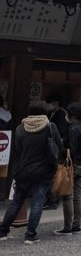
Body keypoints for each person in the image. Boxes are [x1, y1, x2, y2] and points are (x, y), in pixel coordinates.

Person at [0, 100, 62, 244]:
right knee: (37, 202)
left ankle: (3, 231)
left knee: (16, 202)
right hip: (44, 171)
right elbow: (58, 146)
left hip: (23, 170)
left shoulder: (20, 128)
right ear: (45, 112)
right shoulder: (50, 127)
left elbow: (18, 149)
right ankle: (30, 235)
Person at [55, 102, 81, 235]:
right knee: (77, 195)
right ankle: (77, 225)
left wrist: (60, 146)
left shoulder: (72, 129)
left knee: (67, 196)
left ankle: (67, 226)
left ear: (72, 115)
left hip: (72, 165)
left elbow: (71, 150)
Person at [43, 92, 69, 209]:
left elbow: (60, 133)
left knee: (53, 176)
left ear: (55, 103)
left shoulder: (61, 114)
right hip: (53, 149)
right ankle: (50, 199)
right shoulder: (53, 113)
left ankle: (52, 200)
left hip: (56, 149)